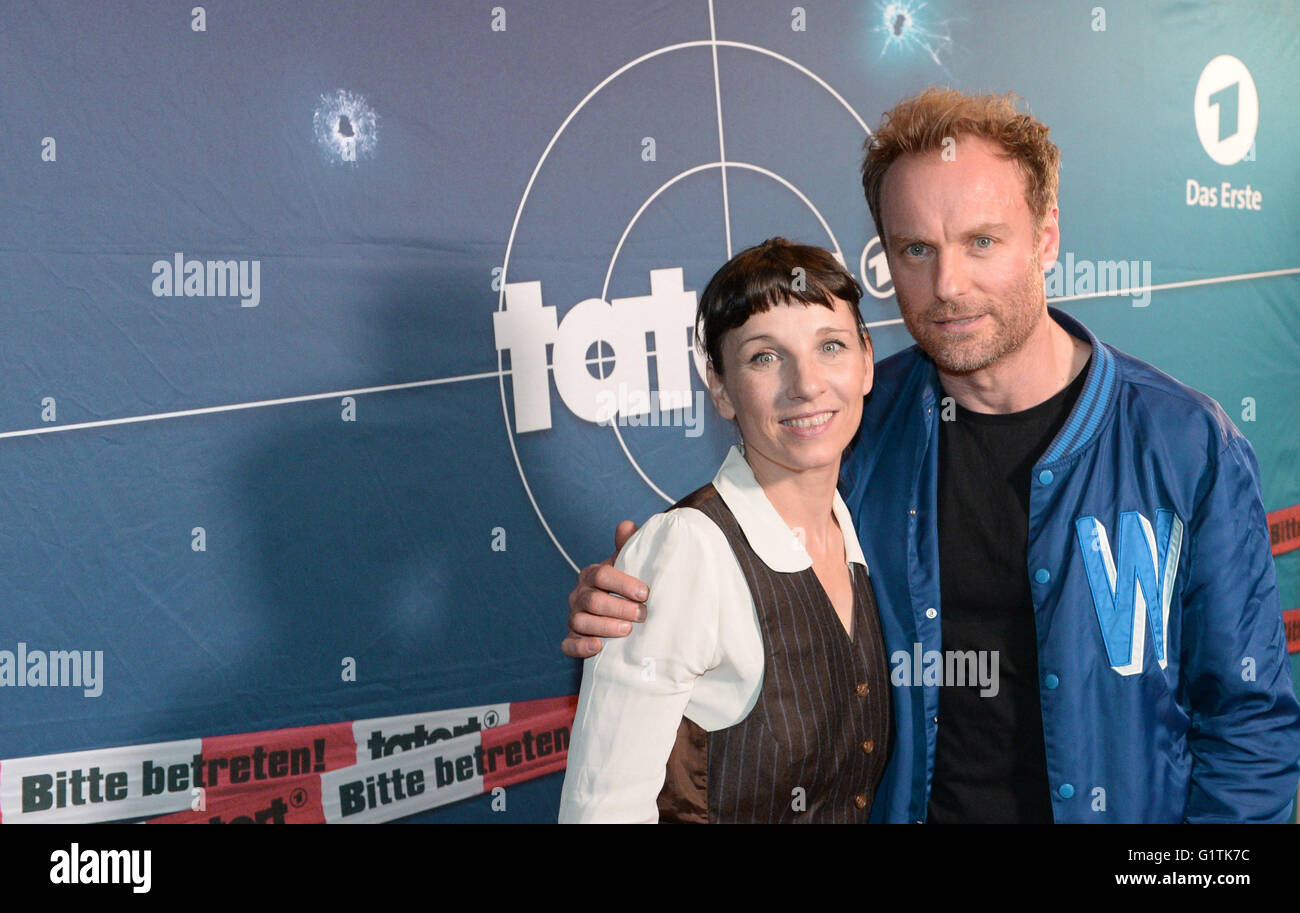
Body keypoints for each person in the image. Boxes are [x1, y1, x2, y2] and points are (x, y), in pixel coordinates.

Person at [563, 88, 1300, 823]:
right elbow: (728, 565)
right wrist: (631, 602)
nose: (948, 285)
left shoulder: (1186, 444)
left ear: (1046, 236)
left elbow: (1249, 724)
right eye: (916, 249)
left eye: (982, 240)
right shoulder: (853, 431)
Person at [558, 239, 890, 823]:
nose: (806, 384)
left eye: (830, 346)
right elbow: (601, 809)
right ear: (718, 386)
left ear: (866, 360)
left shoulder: (854, 532)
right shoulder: (687, 549)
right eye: (765, 357)